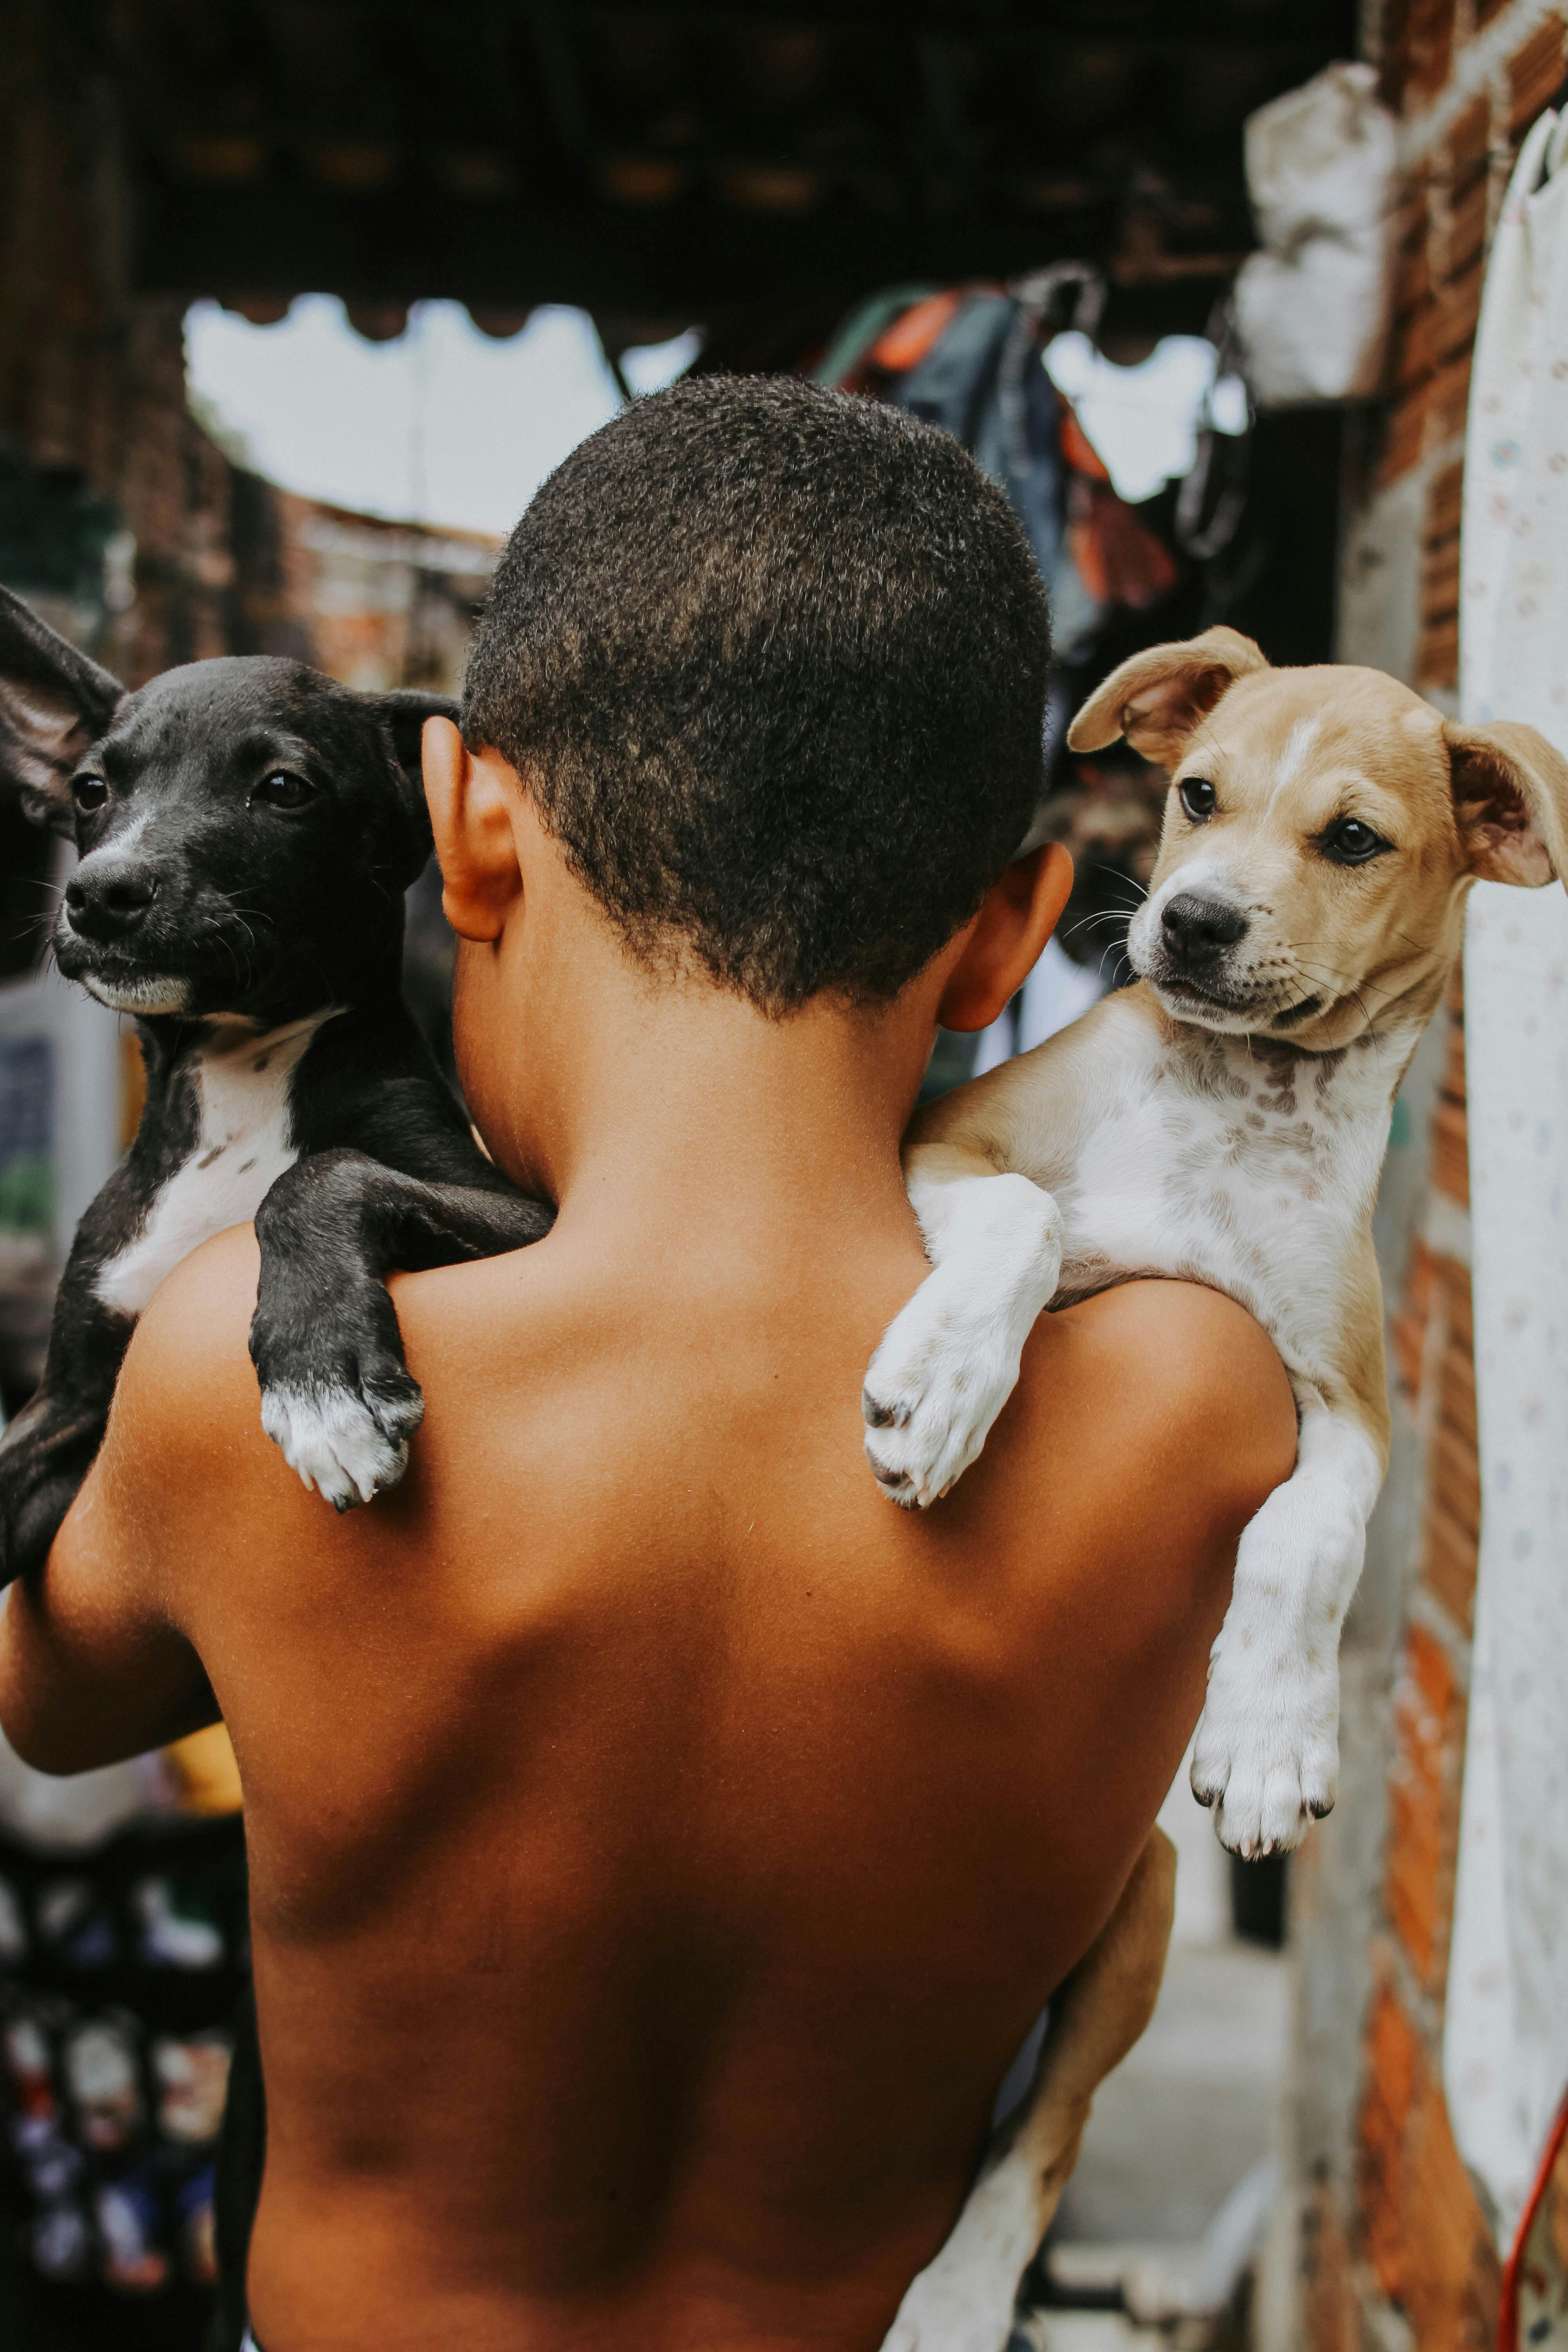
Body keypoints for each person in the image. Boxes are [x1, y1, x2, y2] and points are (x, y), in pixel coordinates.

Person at [0, 377, 1295, 2352]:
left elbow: (52, 1705)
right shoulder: (1197, 1413)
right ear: (1011, 932)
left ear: (466, 833)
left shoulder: (218, 1374)